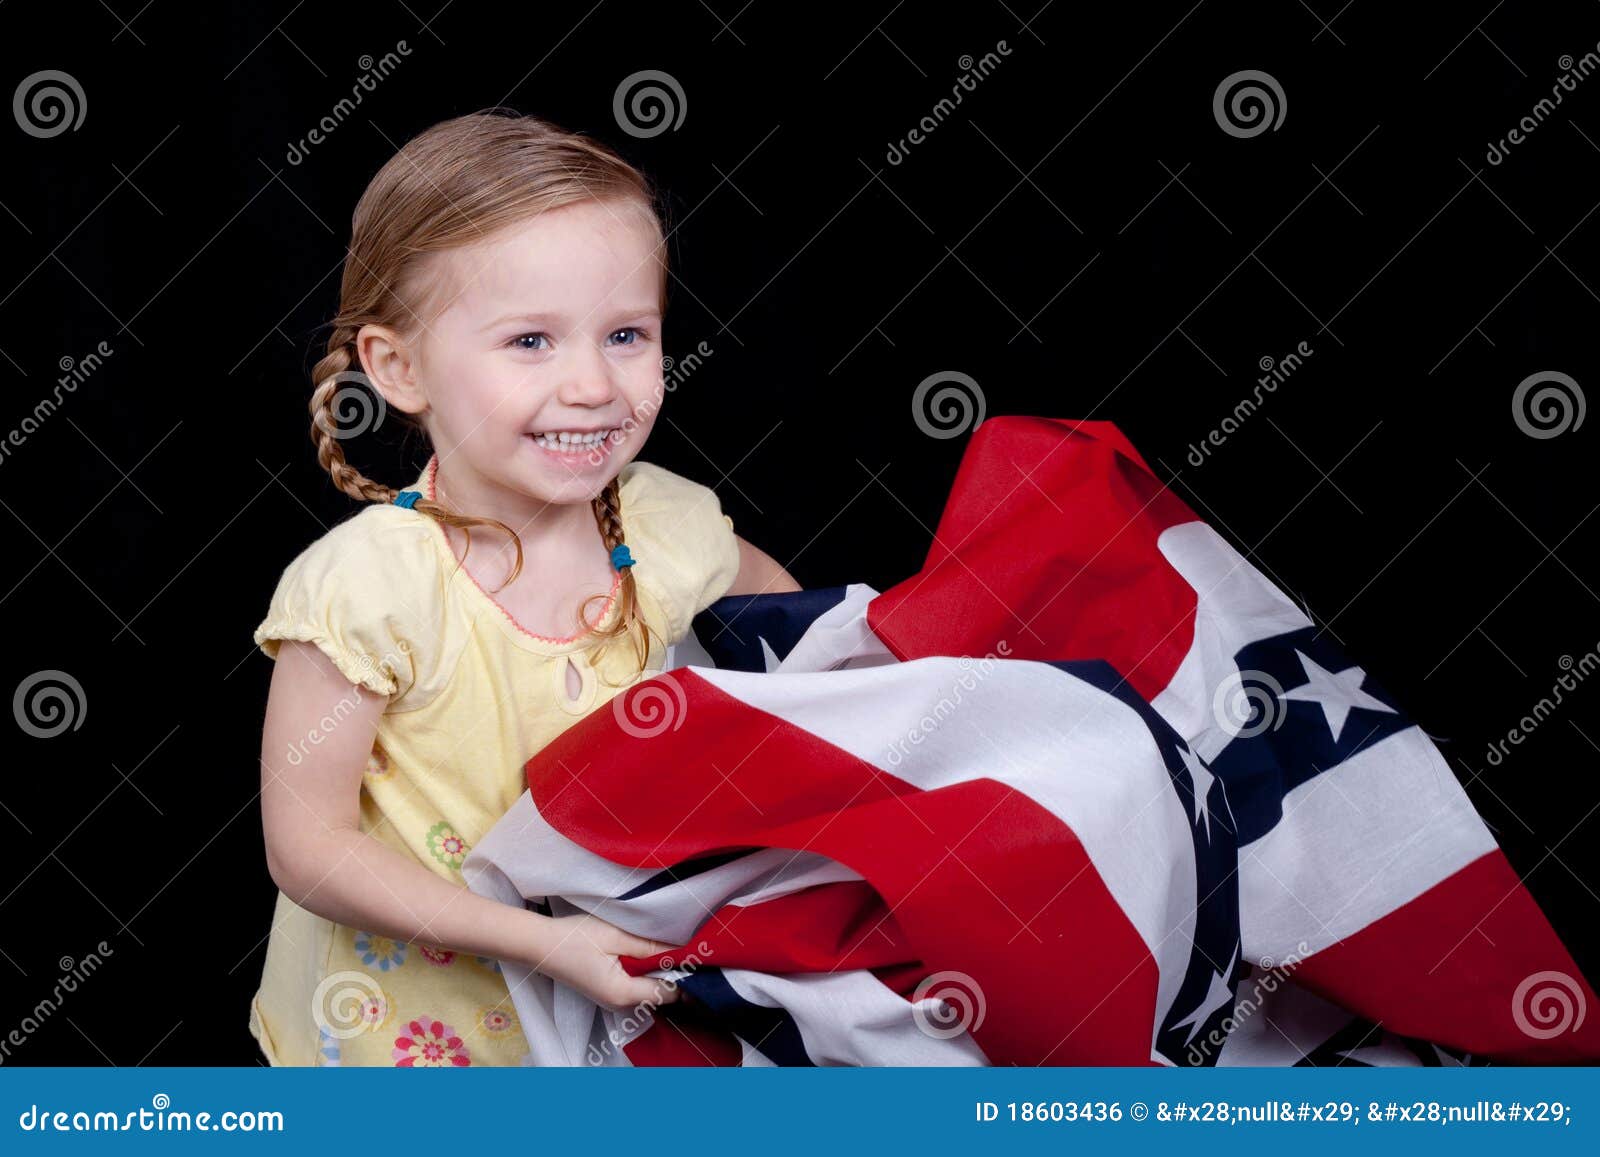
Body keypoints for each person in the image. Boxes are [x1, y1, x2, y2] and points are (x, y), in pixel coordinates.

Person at [248, 109, 800, 1066]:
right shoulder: (370, 588)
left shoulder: (663, 523)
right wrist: (547, 944)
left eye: (626, 334)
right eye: (531, 342)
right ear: (400, 367)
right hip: (403, 1042)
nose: (593, 384)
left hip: (602, 1020)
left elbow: (794, 628)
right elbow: (309, 845)